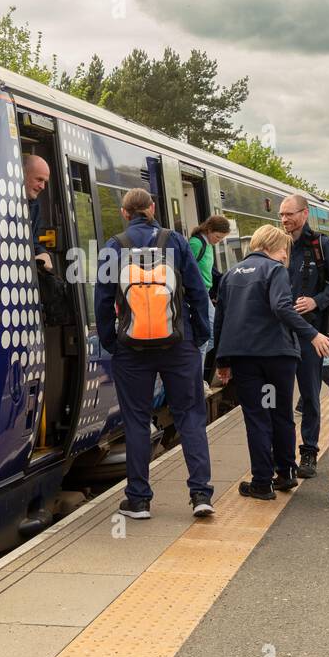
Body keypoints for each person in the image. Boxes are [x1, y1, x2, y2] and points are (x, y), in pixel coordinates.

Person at [95, 187, 214, 518]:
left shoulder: (112, 246)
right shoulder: (175, 241)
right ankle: (201, 495)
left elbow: (103, 300)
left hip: (131, 348)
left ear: (124, 213)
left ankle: (139, 499)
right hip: (179, 344)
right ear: (152, 208)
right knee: (190, 416)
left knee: (135, 420)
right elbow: (197, 292)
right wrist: (199, 335)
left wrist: (112, 342)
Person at [215, 224, 329, 500]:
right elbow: (281, 307)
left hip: (246, 359)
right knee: (280, 415)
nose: (284, 256)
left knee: (257, 418)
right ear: (270, 246)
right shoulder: (274, 270)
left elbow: (221, 321)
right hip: (279, 357)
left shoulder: (230, 275)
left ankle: (261, 482)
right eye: (283, 250)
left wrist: (222, 362)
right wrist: (313, 334)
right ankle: (286, 472)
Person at [278, 195, 329, 479]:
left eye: (289, 214)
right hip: (281, 333)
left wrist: (317, 301)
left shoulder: (322, 245)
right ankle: (282, 455)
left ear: (304, 214)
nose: (284, 220)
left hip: (311, 332)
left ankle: (309, 452)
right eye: (281, 215)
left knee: (309, 394)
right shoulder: (278, 245)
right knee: (281, 397)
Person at [189, 215, 231, 378]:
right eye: (218, 237)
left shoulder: (207, 245)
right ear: (209, 230)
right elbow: (188, 269)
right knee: (211, 333)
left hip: (205, 294)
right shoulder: (195, 243)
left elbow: (209, 272)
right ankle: (196, 378)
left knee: (211, 335)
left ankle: (194, 370)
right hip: (198, 295)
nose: (218, 241)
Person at [24, 153, 52, 270]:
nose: (43, 187)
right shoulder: (0, 201)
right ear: (23, 174)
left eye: (45, 181)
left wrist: (44, 254)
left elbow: (33, 241)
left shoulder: (35, 205)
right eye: (39, 179)